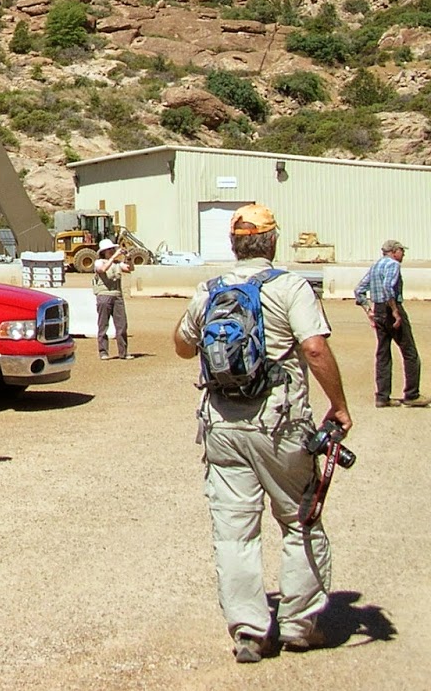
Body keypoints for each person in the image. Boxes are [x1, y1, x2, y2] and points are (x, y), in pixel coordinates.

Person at [172, 203, 352, 664]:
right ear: (272, 242)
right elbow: (314, 348)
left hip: (221, 425)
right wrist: (339, 406)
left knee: (235, 533)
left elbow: (182, 346)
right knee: (300, 519)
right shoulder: (290, 287)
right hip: (279, 425)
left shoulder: (210, 290)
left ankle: (249, 631)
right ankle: (299, 624)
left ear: (234, 244)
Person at [353, 239, 427, 408]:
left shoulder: (376, 265)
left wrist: (369, 311)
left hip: (378, 310)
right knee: (410, 352)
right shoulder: (393, 265)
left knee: (383, 354)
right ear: (394, 251)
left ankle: (382, 396)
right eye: (401, 250)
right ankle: (412, 394)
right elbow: (388, 287)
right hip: (391, 309)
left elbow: (359, 290)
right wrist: (395, 311)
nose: (403, 254)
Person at [92, 238, 133, 360]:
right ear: (103, 252)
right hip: (104, 296)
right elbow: (102, 269)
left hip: (117, 296)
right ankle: (103, 352)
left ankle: (123, 352)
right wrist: (114, 256)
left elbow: (130, 268)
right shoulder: (99, 262)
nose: (111, 251)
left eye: (112, 249)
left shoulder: (117, 264)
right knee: (103, 325)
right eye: (109, 249)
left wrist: (128, 258)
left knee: (122, 325)